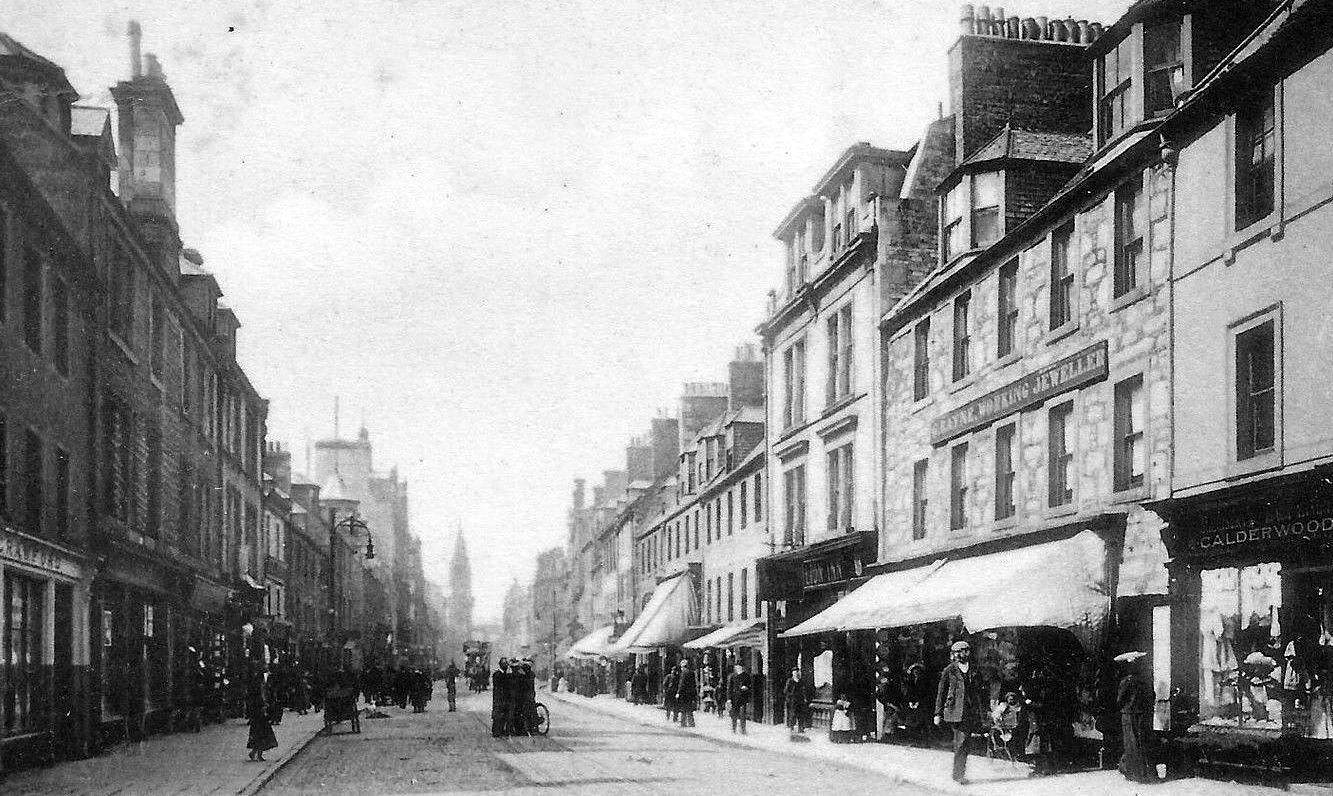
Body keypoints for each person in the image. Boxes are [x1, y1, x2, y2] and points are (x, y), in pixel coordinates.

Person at [935, 639, 987, 785]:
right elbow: (941, 692)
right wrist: (937, 713)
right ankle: (958, 775)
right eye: (955, 652)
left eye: (960, 651)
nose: (957, 655)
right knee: (962, 741)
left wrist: (985, 710)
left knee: (965, 742)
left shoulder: (975, 670)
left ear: (967, 652)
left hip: (971, 711)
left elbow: (982, 692)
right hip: (955, 711)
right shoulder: (949, 670)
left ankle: (957, 773)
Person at [1116, 651, 1158, 784]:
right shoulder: (1145, 681)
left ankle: (1133, 773)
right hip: (1143, 714)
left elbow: (1120, 700)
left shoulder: (1126, 681)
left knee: (1131, 744)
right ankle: (1144, 772)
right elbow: (1152, 696)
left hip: (1129, 715)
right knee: (1142, 742)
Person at [245, 678, 278, 761]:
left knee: (259, 734)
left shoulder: (260, 690)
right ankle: (258, 754)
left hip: (258, 715)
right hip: (259, 715)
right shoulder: (258, 692)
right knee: (262, 734)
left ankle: (255, 753)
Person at [901, 663, 932, 746]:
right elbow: (908, 692)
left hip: (922, 705)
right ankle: (913, 741)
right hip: (912, 705)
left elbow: (926, 693)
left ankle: (924, 742)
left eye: (917, 671)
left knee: (923, 723)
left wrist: (919, 702)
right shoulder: (910, 681)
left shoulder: (924, 681)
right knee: (911, 723)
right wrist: (910, 702)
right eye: (914, 671)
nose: (916, 672)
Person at [783, 667, 810, 736]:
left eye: (797, 672)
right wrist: (790, 697)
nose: (796, 674)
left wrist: (805, 698)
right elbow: (786, 691)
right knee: (793, 714)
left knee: (801, 715)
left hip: (800, 700)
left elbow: (804, 691)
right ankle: (791, 728)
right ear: (792, 673)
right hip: (793, 701)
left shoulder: (801, 681)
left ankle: (801, 728)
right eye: (795, 672)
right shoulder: (790, 681)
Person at [727, 662, 751, 734]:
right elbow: (729, 688)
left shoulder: (746, 676)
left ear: (742, 668)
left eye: (740, 667)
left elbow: (750, 686)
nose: (738, 668)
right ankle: (734, 729)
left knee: (742, 714)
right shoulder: (732, 676)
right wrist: (729, 699)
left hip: (743, 698)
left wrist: (746, 688)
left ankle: (743, 729)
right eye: (737, 667)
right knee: (734, 714)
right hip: (734, 698)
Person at [491, 657, 513, 737]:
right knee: (498, 714)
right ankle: (496, 731)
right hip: (499, 697)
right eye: (504, 664)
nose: (506, 665)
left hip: (503, 697)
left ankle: (500, 730)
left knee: (503, 714)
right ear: (501, 665)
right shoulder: (497, 674)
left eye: (506, 664)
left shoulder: (504, 674)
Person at [675, 659, 698, 727]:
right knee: (689, 709)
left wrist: (678, 692)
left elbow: (681, 683)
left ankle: (683, 723)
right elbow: (694, 684)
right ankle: (691, 723)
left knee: (683, 709)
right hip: (690, 693)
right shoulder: (692, 672)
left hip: (684, 694)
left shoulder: (683, 673)